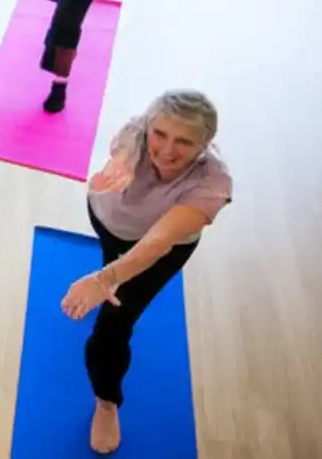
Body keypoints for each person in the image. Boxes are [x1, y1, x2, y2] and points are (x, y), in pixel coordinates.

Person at [62, 90, 231, 453]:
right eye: (160, 135)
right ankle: (111, 269)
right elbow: (124, 149)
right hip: (110, 219)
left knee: (114, 324)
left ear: (205, 144)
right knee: (114, 256)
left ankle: (106, 403)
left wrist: (105, 278)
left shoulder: (213, 183)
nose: (167, 150)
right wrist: (122, 161)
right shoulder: (138, 130)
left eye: (184, 142)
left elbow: (157, 242)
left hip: (161, 247)